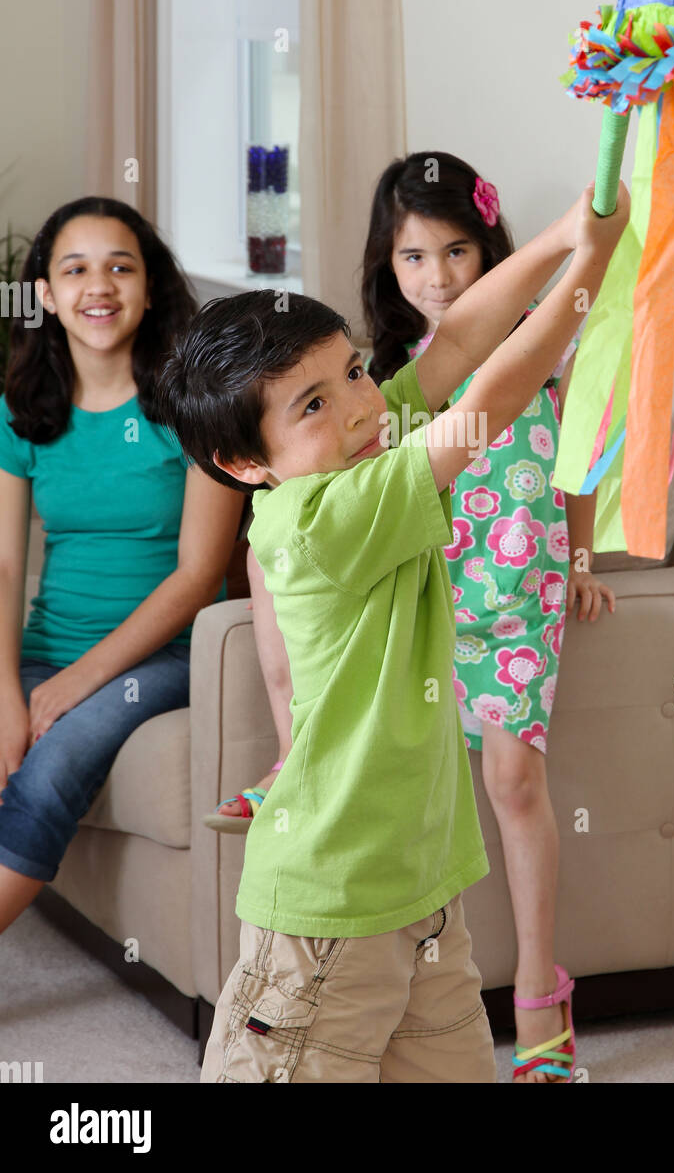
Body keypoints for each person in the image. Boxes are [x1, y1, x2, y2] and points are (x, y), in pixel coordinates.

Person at [158, 178, 629, 1082]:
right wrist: (587, 270)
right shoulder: (321, 514)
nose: (363, 407)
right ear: (245, 464)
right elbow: (482, 403)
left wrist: (564, 234)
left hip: (422, 900)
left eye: (356, 371)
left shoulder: (361, 445)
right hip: (325, 914)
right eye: (313, 406)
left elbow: (456, 342)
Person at [0, 198, 246, 936]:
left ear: (149, 286)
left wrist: (81, 679)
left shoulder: (192, 407)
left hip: (168, 653)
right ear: (45, 294)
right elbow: (6, 563)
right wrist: (8, 693)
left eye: (120, 267)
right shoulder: (20, 411)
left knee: (53, 763)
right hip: (51, 644)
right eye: (74, 269)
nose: (98, 286)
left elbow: (199, 575)